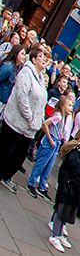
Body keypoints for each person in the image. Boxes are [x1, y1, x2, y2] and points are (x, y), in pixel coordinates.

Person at [0, 46, 48, 193]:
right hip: (16, 122)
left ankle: (6, 176)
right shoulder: (26, 73)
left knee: (18, 156)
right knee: (5, 150)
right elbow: (22, 97)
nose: (44, 58)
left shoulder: (40, 78)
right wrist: (29, 117)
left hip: (29, 128)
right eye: (41, 56)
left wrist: (38, 120)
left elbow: (40, 102)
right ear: (34, 59)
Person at [48, 125, 80, 253]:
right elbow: (77, 173)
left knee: (68, 211)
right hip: (69, 186)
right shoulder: (77, 151)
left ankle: (60, 234)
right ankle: (54, 236)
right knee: (62, 210)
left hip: (78, 189)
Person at [27, 91, 74, 199]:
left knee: (49, 166)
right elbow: (45, 124)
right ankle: (31, 183)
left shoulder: (64, 117)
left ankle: (42, 186)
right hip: (50, 142)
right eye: (69, 105)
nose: (71, 108)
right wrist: (50, 138)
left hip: (56, 142)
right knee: (41, 163)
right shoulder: (58, 116)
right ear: (63, 106)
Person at [0, 44, 26, 115]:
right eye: (22, 54)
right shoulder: (8, 67)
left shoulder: (17, 69)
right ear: (16, 53)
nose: (24, 57)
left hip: (5, 103)